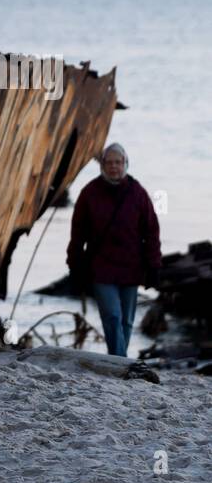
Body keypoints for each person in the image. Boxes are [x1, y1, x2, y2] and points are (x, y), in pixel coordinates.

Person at [66, 142, 162, 357]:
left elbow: (152, 232)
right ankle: (120, 360)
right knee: (112, 316)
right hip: (102, 268)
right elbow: (77, 234)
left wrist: (154, 266)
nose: (113, 167)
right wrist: (74, 266)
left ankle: (118, 361)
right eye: (109, 162)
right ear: (102, 165)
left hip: (131, 267)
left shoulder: (137, 193)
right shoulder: (89, 193)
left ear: (126, 164)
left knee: (127, 320)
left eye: (118, 162)